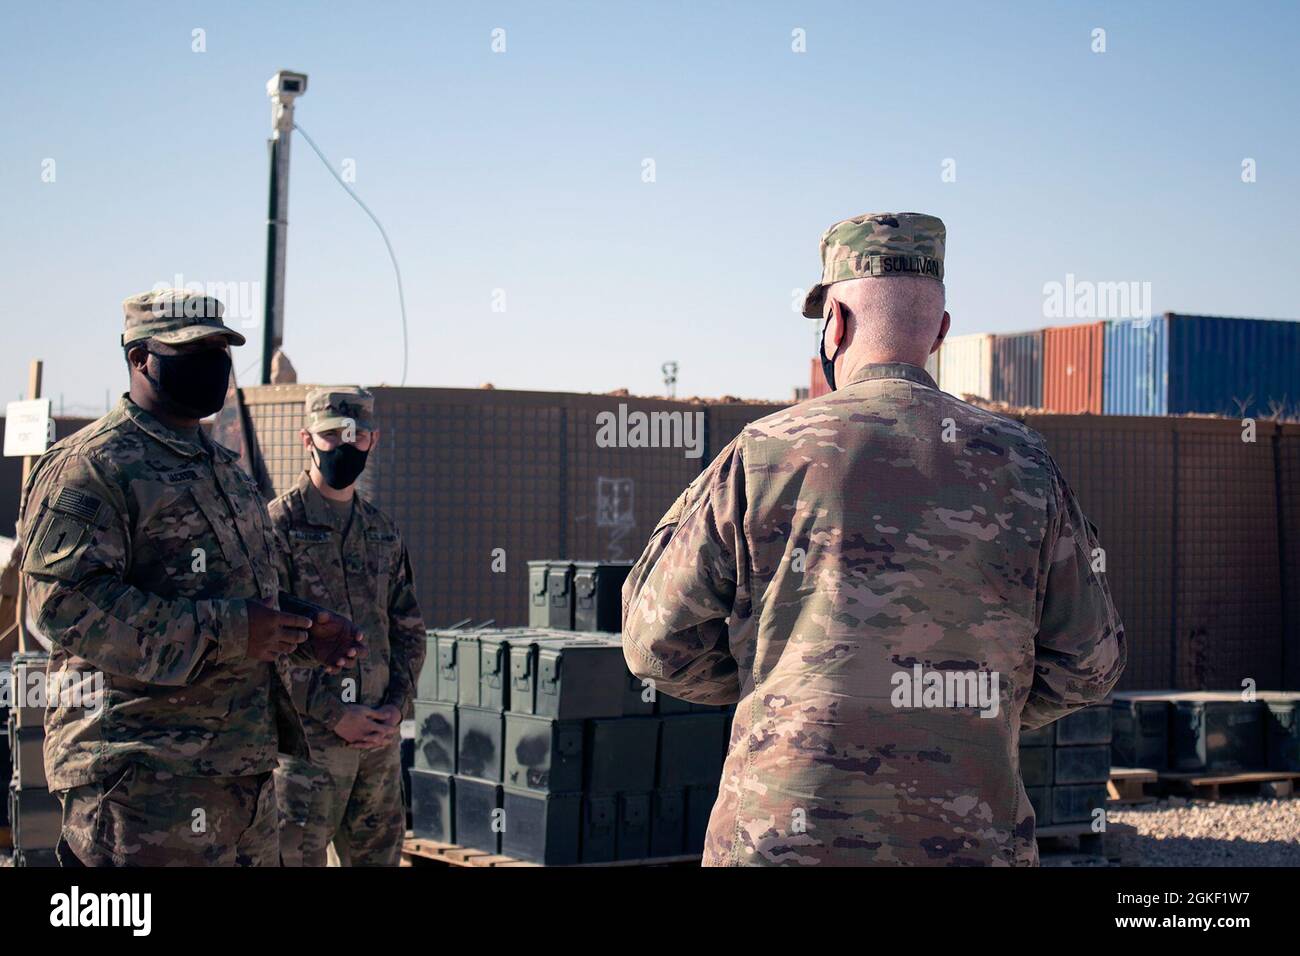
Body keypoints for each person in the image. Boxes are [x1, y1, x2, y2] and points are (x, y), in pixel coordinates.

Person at [621, 212, 1126, 866]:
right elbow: (1091, 662)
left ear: (834, 322)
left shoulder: (763, 456)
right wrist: (970, 707)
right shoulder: (1027, 467)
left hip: (781, 845)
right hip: (970, 842)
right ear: (940, 332)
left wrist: (780, 683)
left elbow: (651, 639)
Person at [19, 288, 364, 867]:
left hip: (242, 777)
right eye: (190, 350)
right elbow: (63, 605)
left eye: (219, 349)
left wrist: (302, 628)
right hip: (143, 783)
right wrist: (231, 630)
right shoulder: (92, 466)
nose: (212, 364)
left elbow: (235, 600)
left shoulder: (221, 468)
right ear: (137, 358)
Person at [271, 387, 426, 866]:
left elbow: (409, 629)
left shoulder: (381, 530)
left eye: (356, 436)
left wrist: (395, 708)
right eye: (332, 434)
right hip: (305, 751)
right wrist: (333, 713)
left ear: (372, 440)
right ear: (307, 439)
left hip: (378, 748)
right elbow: (265, 642)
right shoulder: (275, 527)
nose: (345, 445)